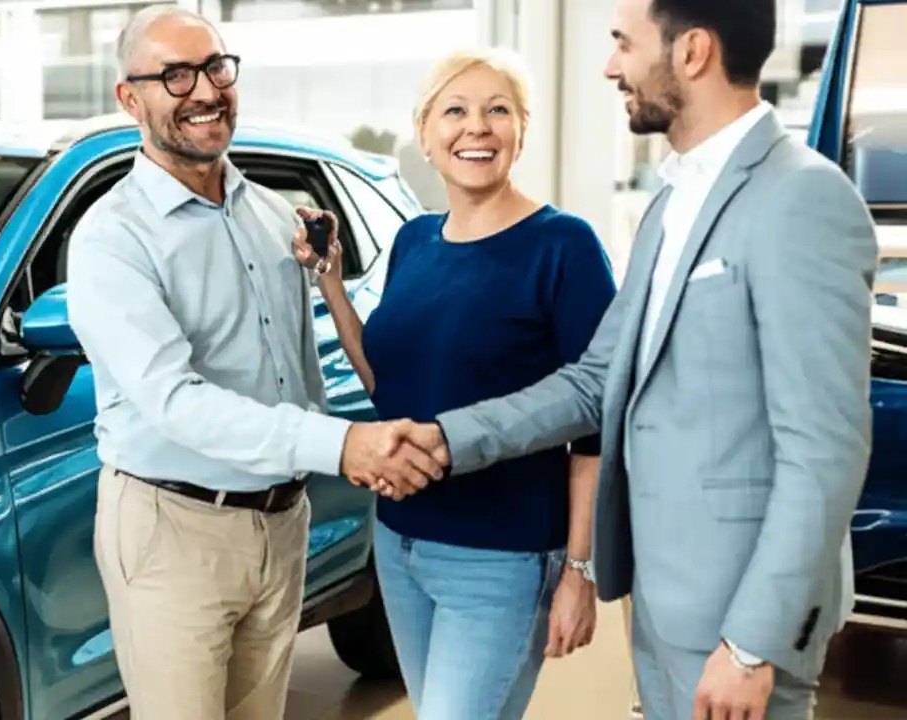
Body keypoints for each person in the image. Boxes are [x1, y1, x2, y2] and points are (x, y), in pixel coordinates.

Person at [398, 0, 878, 718]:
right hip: (665, 604)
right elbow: (595, 382)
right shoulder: (671, 202)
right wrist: (445, 438)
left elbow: (825, 452)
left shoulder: (803, 197)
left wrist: (754, 643)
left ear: (691, 53)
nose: (611, 66)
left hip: (738, 623)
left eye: (625, 44)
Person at [63, 5, 445, 719]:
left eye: (215, 67)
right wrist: (344, 444)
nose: (205, 90)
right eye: (174, 75)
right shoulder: (112, 240)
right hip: (175, 528)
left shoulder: (274, 215)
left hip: (281, 523)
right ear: (129, 98)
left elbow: (296, 371)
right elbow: (175, 402)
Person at [292, 48, 616, 719]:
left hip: (501, 555)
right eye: (456, 110)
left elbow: (597, 424)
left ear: (521, 131)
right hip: (400, 544)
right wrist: (330, 280)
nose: (478, 128)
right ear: (425, 133)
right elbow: (388, 380)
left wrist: (579, 571)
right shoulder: (414, 241)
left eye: (499, 110)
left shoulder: (565, 246)